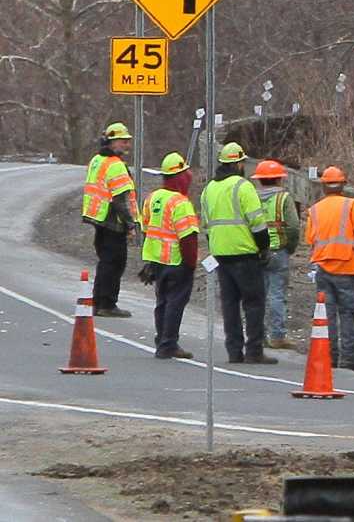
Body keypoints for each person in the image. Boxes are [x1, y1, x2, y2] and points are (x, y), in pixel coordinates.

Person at [200, 142, 276, 364]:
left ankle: (234, 351)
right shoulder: (243, 187)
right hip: (244, 254)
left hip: (220, 254)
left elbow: (206, 224)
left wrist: (215, 246)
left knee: (229, 304)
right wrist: (264, 248)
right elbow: (258, 223)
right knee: (253, 302)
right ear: (239, 164)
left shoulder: (209, 189)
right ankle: (254, 350)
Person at [306, 165, 354, 371]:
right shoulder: (350, 205)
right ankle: (348, 360)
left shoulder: (314, 210)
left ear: (323, 186)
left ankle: (330, 358)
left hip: (322, 268)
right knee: (348, 314)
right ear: (343, 184)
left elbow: (310, 240)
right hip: (346, 266)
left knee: (327, 316)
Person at [139, 153, 200, 359]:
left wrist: (149, 261)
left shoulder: (152, 198)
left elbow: (146, 229)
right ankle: (168, 344)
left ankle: (162, 340)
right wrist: (191, 263)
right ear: (180, 176)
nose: (189, 177)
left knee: (162, 302)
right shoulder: (180, 203)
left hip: (157, 261)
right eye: (186, 173)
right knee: (175, 302)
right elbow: (188, 238)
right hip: (176, 261)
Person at [82, 122, 140, 318]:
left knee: (105, 262)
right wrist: (130, 224)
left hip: (98, 217)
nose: (127, 145)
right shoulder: (115, 165)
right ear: (112, 142)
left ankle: (98, 302)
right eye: (123, 141)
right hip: (112, 221)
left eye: (127, 141)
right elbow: (120, 200)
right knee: (115, 263)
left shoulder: (97, 160)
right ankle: (107, 304)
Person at [252, 160, 301, 350]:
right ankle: (277, 336)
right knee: (276, 294)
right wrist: (290, 247)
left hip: (257, 251)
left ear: (259, 180)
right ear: (280, 179)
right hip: (278, 251)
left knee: (259, 295)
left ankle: (259, 335)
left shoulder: (252, 197)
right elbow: (293, 226)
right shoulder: (284, 198)